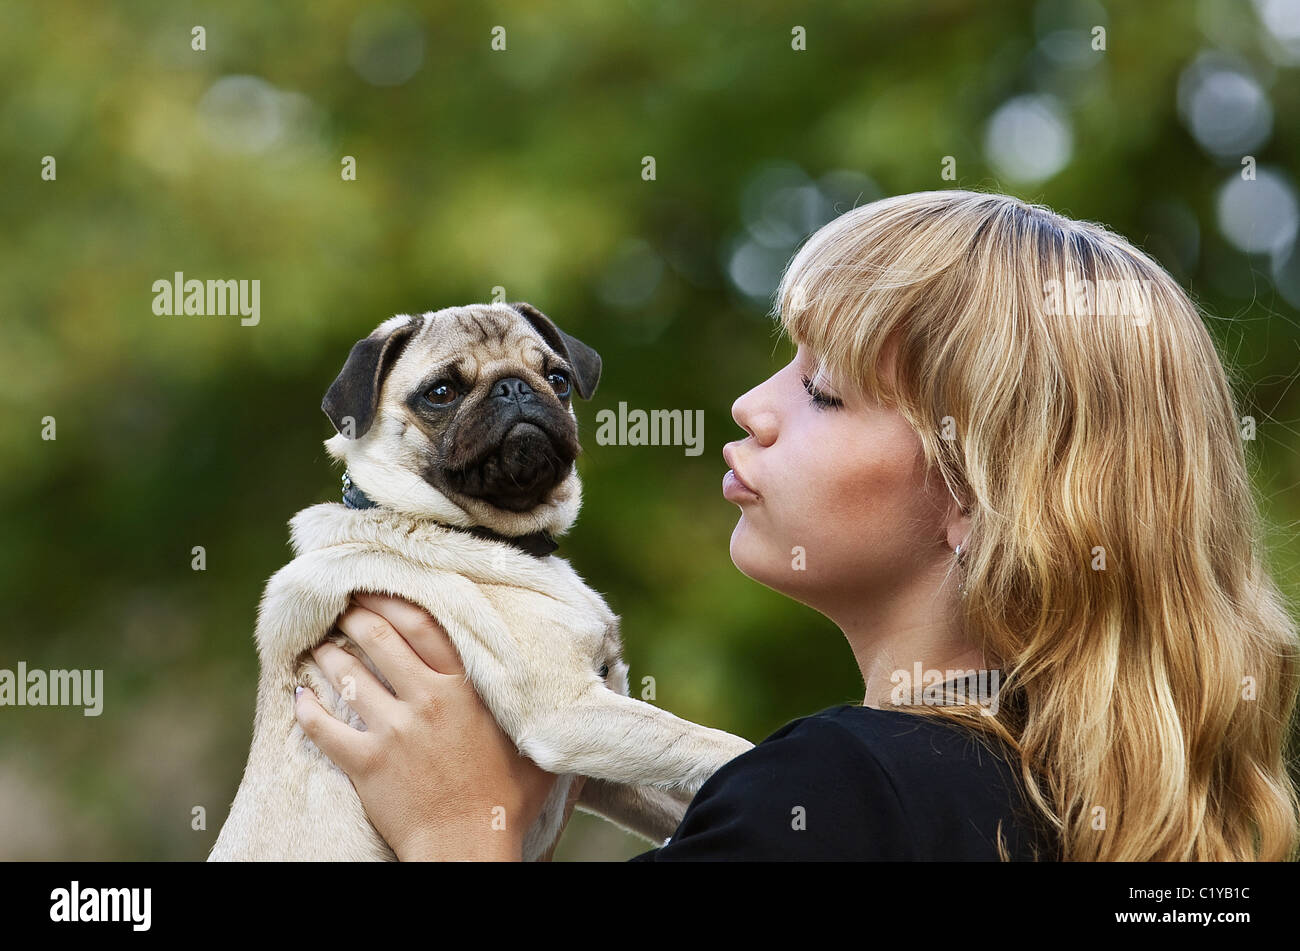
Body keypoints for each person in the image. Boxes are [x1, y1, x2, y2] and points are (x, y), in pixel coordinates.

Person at [293, 189, 1300, 861]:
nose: (750, 404)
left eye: (822, 390)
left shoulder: (829, 799)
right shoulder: (1110, 811)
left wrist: (456, 833)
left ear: (975, 497)